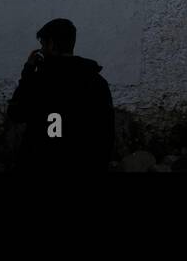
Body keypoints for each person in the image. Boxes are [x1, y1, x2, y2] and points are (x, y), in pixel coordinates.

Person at [6, 18, 115, 172]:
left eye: (43, 45)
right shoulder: (97, 82)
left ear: (50, 44)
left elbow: (16, 113)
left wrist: (28, 71)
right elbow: (106, 134)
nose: (42, 50)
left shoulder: (41, 81)